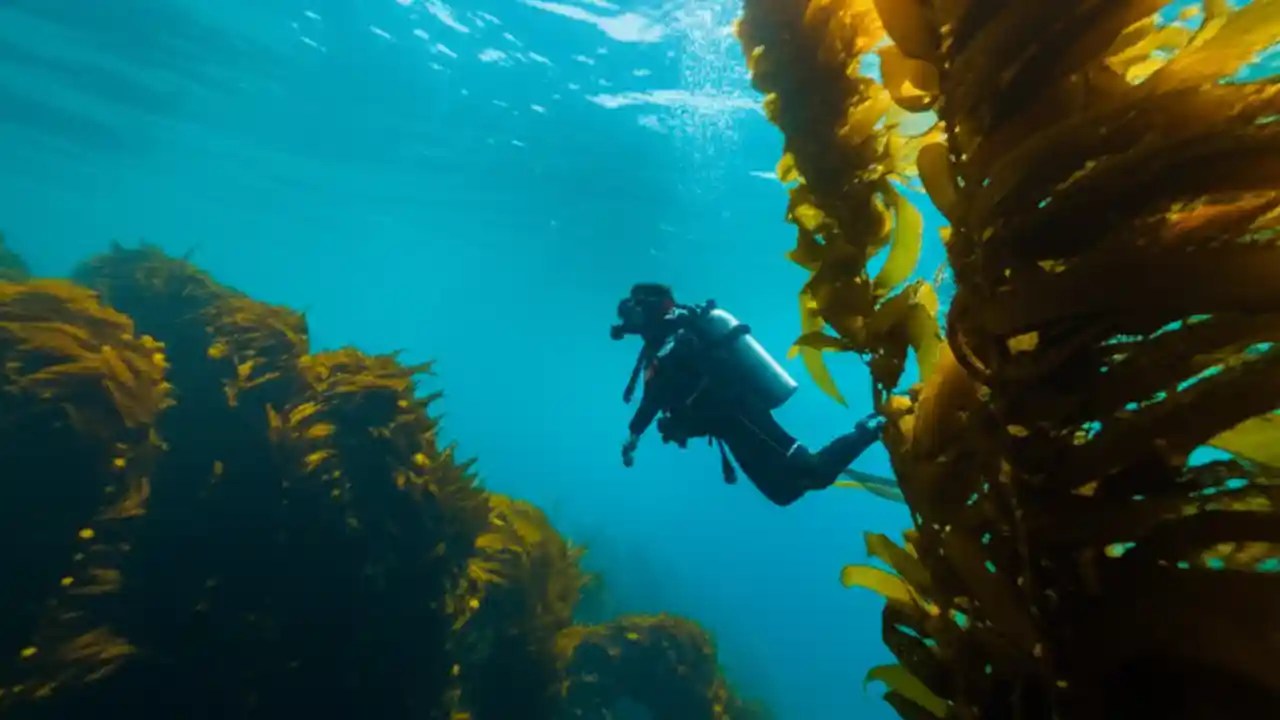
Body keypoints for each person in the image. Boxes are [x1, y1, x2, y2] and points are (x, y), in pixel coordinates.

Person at [610, 283, 887, 507]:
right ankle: (858, 437)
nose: (631, 321)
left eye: (635, 312)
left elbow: (660, 393)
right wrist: (638, 433)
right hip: (728, 429)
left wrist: (637, 432)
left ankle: (871, 428)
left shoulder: (681, 334)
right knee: (783, 493)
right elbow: (659, 396)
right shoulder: (659, 349)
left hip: (740, 412)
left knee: (813, 472)